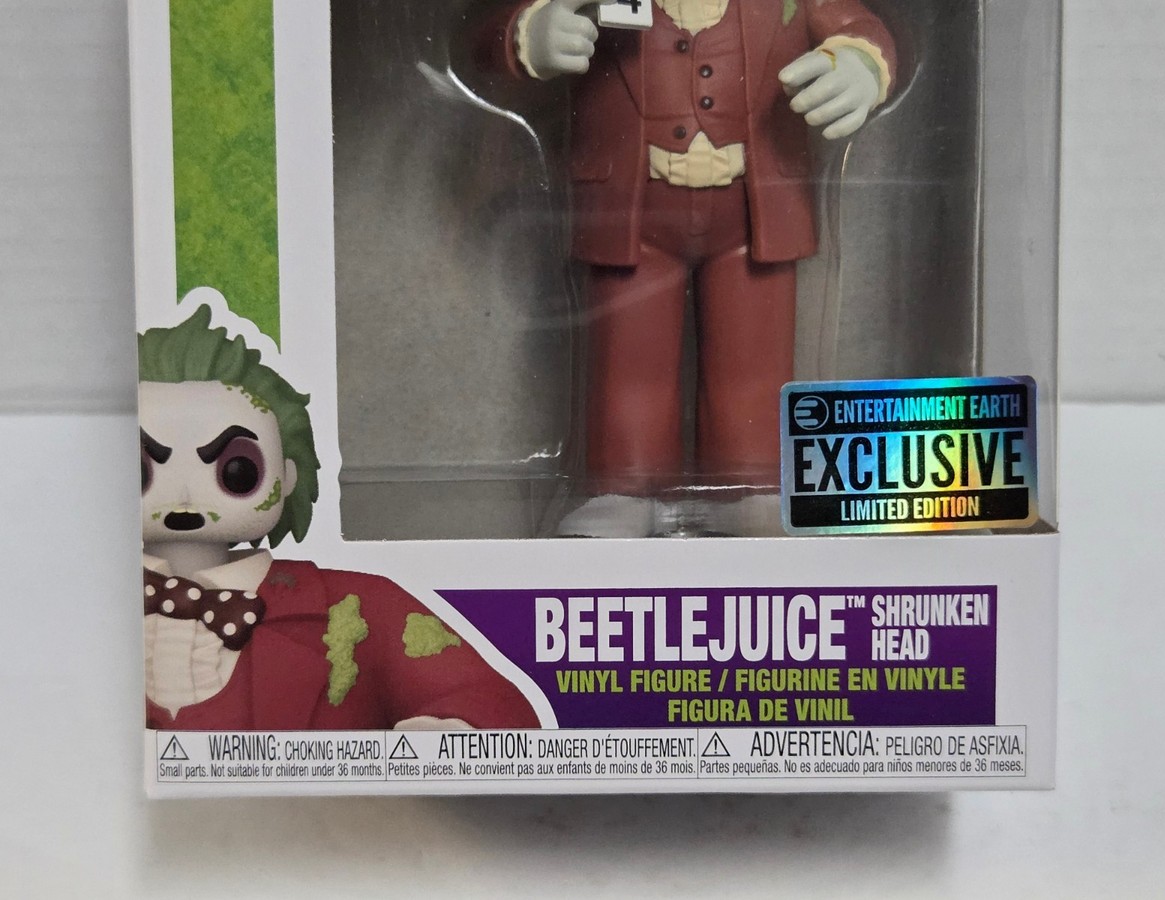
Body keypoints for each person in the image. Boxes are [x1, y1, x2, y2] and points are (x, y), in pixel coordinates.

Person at [481, 0, 897, 536]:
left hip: (753, 213)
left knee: (753, 365)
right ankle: (625, 487)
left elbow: (859, 24)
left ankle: (749, 485)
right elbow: (482, 33)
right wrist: (530, 32)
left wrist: (861, 65)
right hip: (631, 209)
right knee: (628, 362)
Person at [139, 306, 540, 730]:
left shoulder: (356, 608)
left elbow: (489, 704)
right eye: (139, 468)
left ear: (287, 475)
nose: (184, 495)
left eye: (237, 470)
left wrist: (443, 737)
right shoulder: (92, 610)